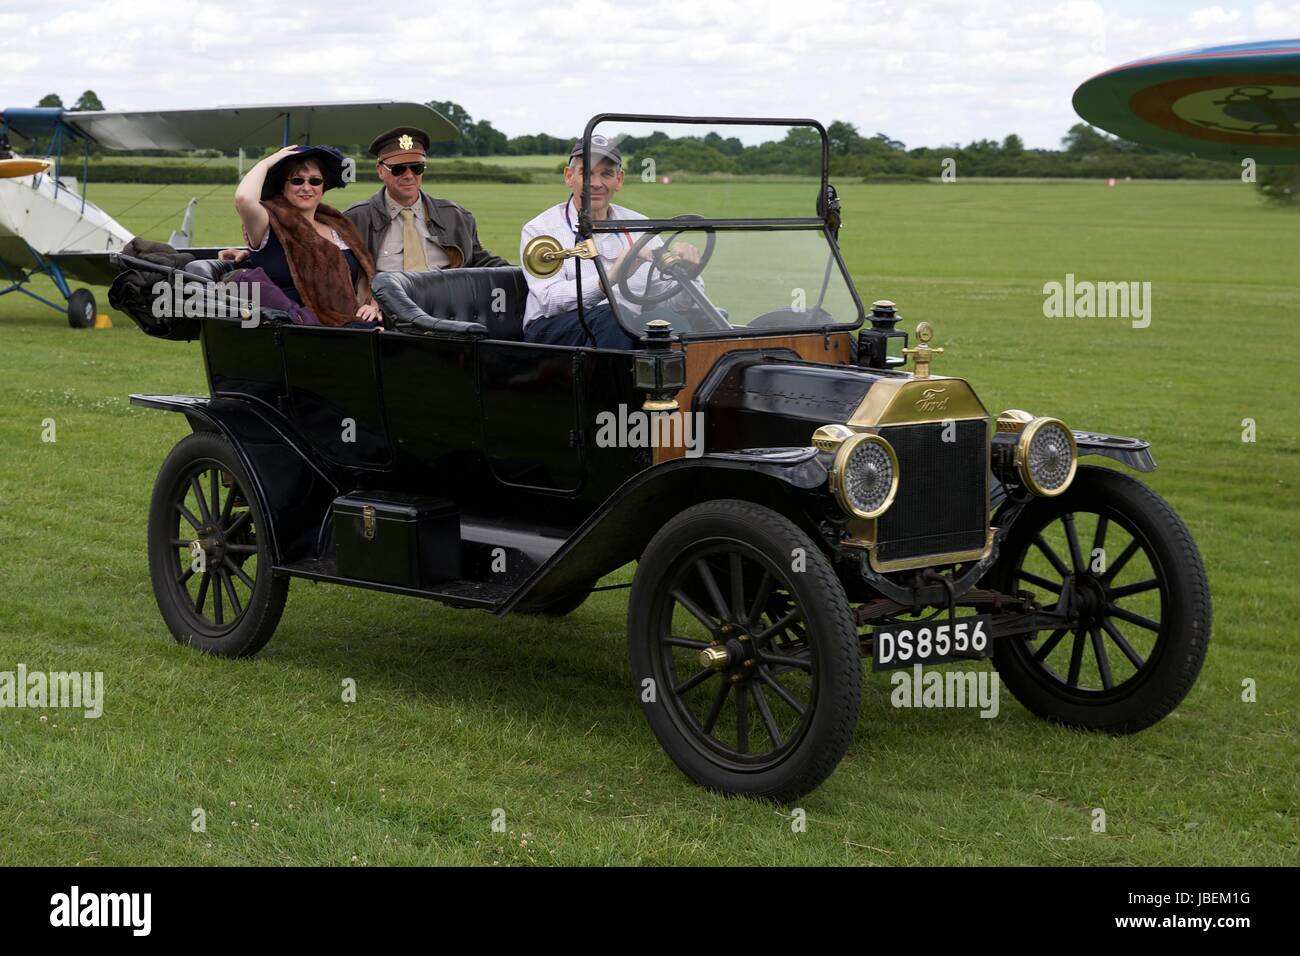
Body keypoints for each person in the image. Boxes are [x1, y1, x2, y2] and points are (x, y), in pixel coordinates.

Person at [519, 134, 703, 349]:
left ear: (619, 180)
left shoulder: (639, 225)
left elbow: (669, 303)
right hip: (551, 331)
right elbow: (549, 301)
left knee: (667, 321)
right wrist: (607, 280)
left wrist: (689, 274)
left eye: (606, 174)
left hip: (622, 327)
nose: (596, 184)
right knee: (614, 316)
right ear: (569, 177)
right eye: (586, 173)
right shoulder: (541, 230)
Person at [233, 145, 380, 326]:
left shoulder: (339, 226)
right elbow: (244, 199)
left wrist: (373, 305)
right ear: (282, 187)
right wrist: (269, 162)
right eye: (297, 181)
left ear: (323, 186)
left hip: (351, 323)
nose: (306, 187)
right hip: (300, 330)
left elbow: (365, 280)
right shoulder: (269, 223)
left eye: (315, 181)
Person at [343, 126, 507, 271]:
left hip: (444, 304)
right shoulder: (355, 220)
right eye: (398, 169)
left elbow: (480, 262)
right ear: (380, 171)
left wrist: (526, 272)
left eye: (417, 167)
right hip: (384, 304)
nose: (409, 176)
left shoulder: (456, 217)